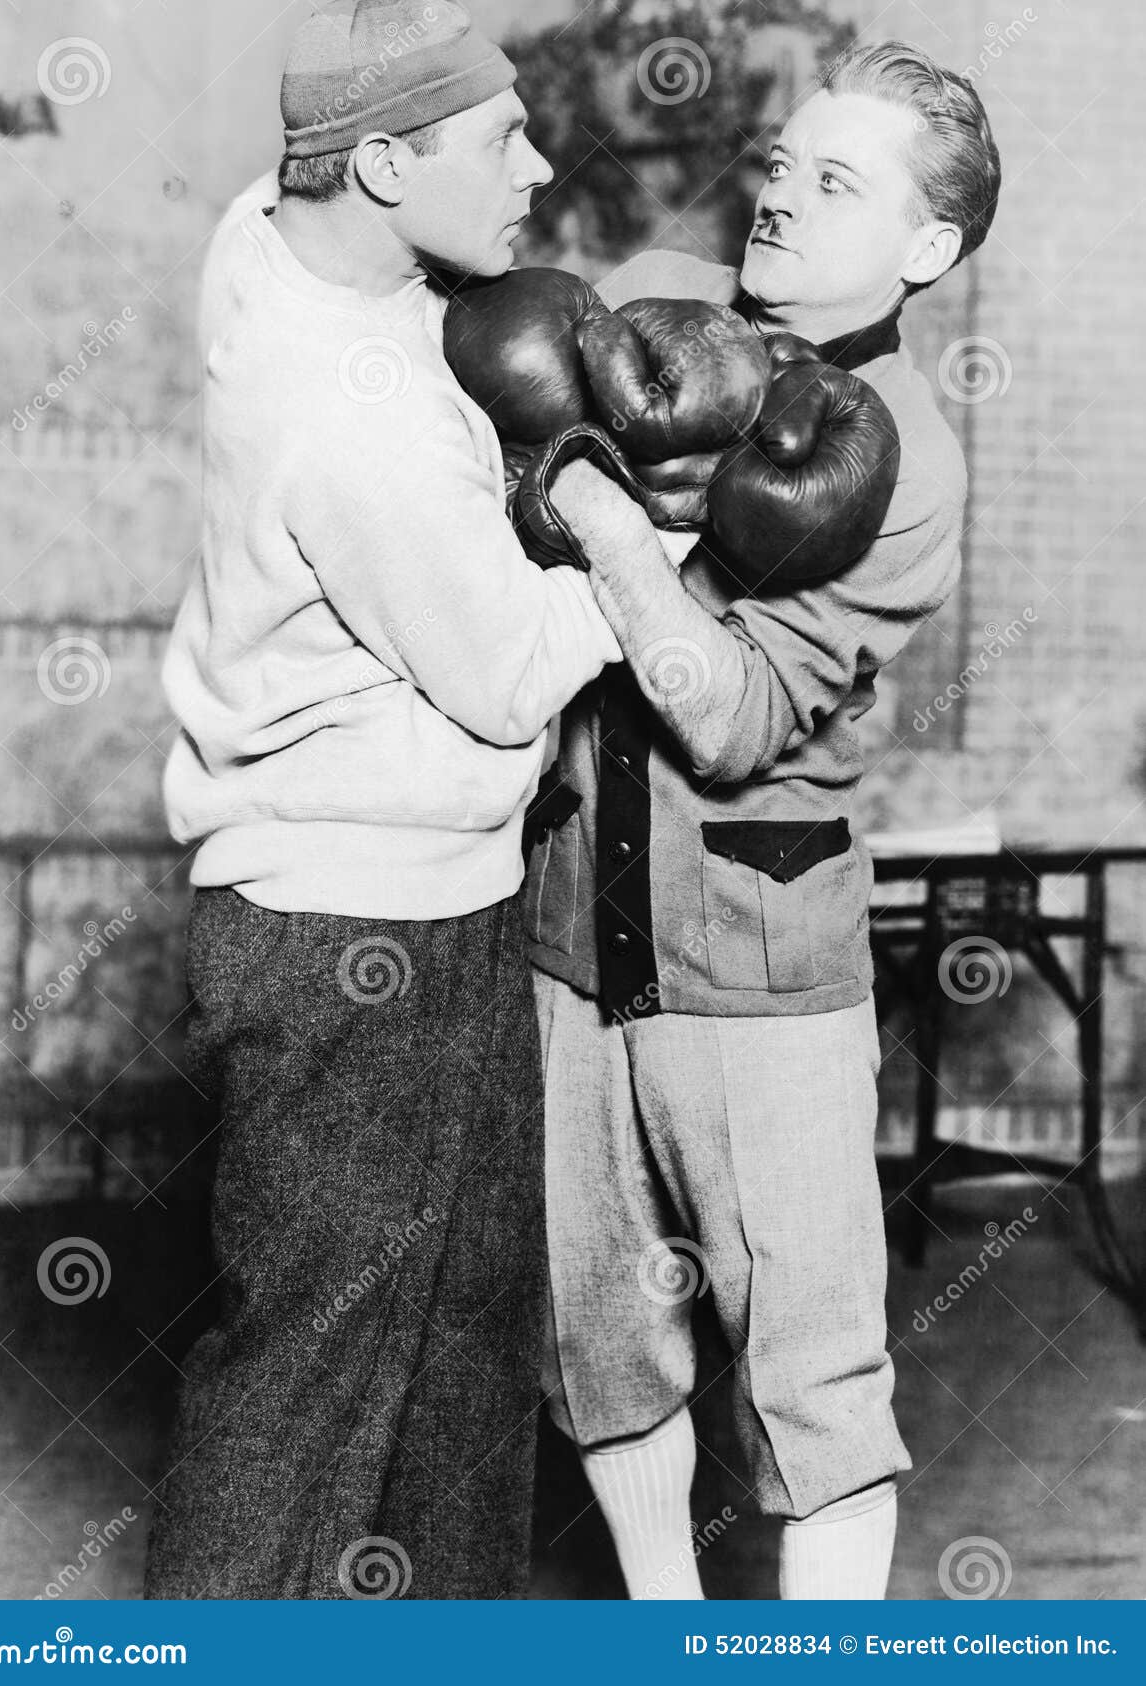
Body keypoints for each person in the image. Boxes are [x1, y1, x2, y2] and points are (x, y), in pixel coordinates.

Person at [144, 0, 621, 1601]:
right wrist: (655, 533)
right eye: (503, 140)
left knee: (467, 1356)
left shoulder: (262, 249)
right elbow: (507, 674)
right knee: (318, 1373)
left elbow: (288, 211)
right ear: (383, 161)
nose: (541, 168)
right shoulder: (357, 414)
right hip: (367, 934)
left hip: (408, 905)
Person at [525, 40, 1002, 1600]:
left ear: (925, 246)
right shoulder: (664, 289)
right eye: (788, 162)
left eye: (838, 181)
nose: (784, 194)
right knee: (599, 1343)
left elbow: (726, 718)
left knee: (814, 1388)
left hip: (759, 956)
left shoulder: (910, 464)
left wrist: (600, 514)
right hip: (565, 935)